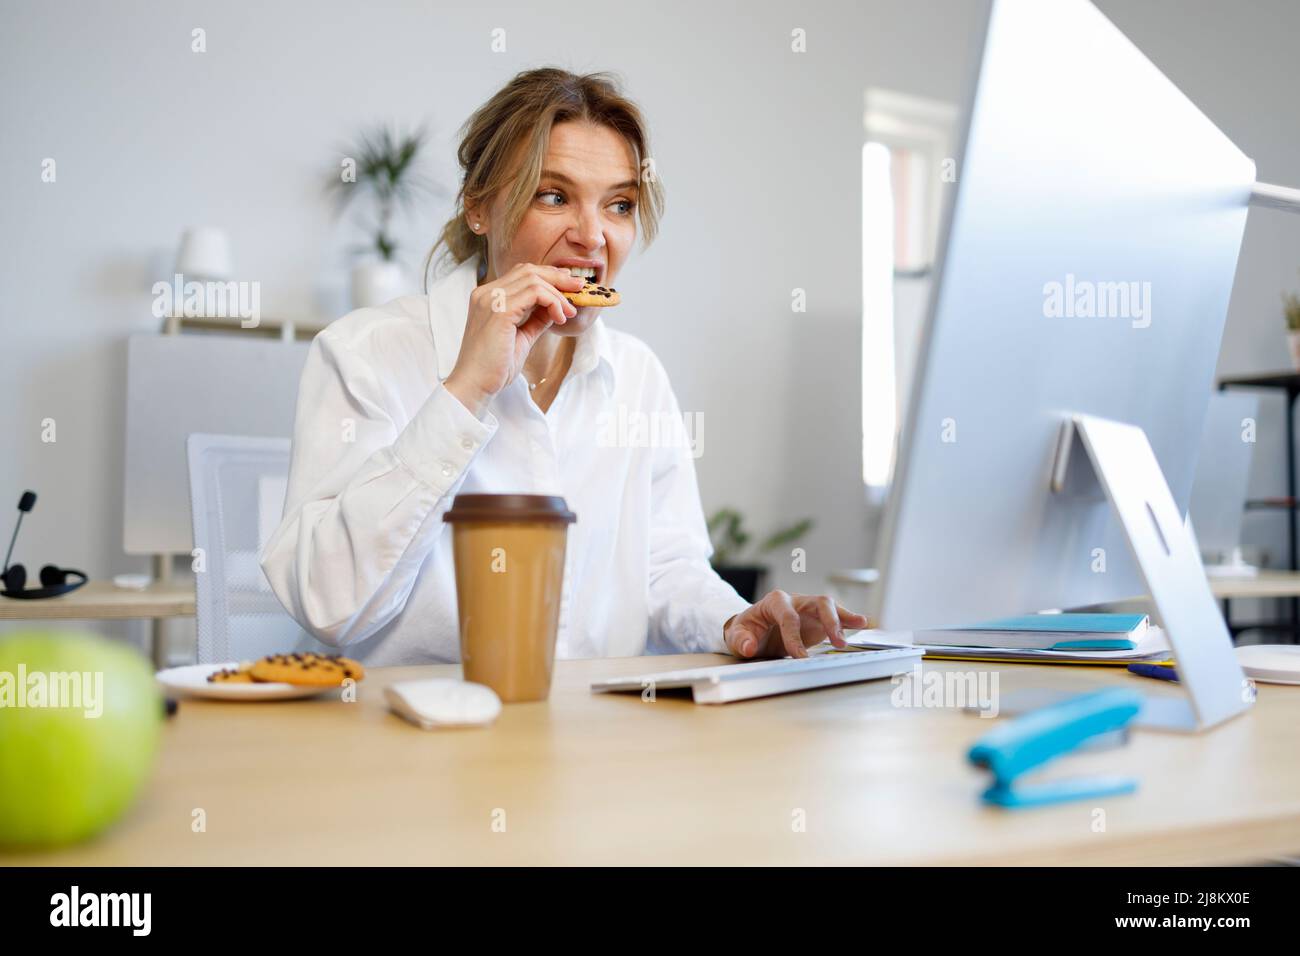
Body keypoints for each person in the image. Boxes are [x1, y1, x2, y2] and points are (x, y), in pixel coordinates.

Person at [260, 68, 868, 666]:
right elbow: (328, 604)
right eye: (555, 196)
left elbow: (665, 566)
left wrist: (733, 621)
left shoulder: (637, 374)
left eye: (620, 205)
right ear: (479, 207)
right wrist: (465, 390)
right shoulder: (364, 353)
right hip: (399, 735)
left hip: (590, 737)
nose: (592, 236)